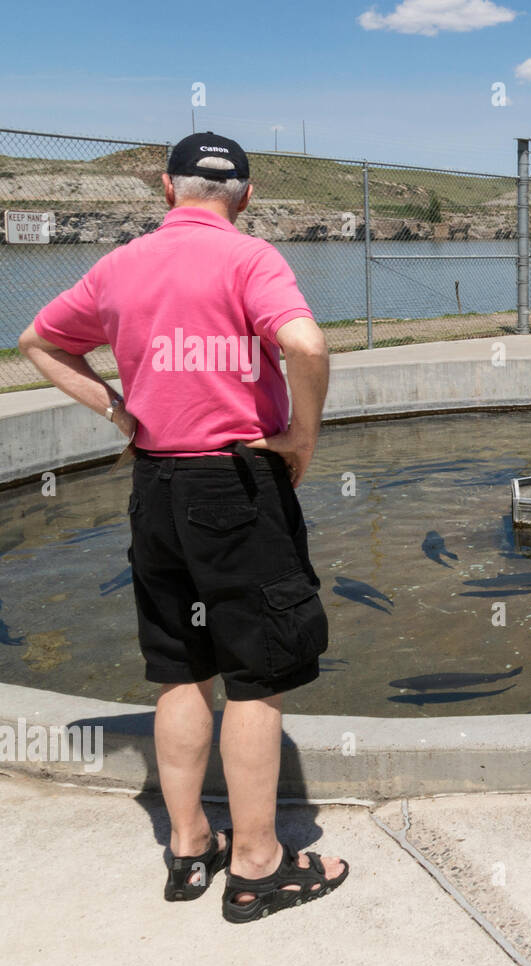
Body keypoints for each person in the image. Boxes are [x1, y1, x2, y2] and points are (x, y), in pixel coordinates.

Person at [18, 132, 348, 922]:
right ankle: (260, 865)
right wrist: (302, 438)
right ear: (247, 193)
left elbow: (38, 340)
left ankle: (190, 847)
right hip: (235, 483)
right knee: (258, 676)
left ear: (165, 190)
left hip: (155, 486)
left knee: (180, 668)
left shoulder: (120, 264)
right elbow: (304, 341)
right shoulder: (250, 257)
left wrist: (118, 411)